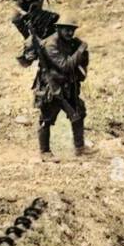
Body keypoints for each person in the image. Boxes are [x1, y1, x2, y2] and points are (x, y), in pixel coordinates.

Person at [20, 20, 90, 161]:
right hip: (52, 87)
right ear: (58, 28)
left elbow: (82, 61)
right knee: (47, 118)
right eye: (67, 30)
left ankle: (80, 148)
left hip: (68, 85)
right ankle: (45, 152)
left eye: (72, 30)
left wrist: (82, 52)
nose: (70, 33)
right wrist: (81, 50)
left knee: (78, 112)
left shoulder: (71, 42)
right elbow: (65, 65)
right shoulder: (51, 44)